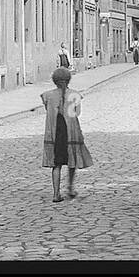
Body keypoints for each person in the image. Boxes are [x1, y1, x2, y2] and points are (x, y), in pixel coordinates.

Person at [41, 66, 94, 203]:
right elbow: (77, 113)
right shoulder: (75, 95)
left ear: (54, 81)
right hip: (71, 132)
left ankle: (55, 194)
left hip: (54, 133)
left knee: (56, 164)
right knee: (72, 161)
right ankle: (70, 187)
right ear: (69, 80)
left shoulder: (47, 95)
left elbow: (48, 109)